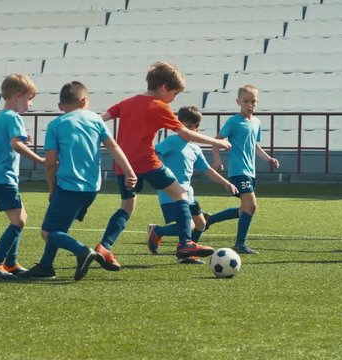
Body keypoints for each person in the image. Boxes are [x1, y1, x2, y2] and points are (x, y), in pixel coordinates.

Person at [95, 61, 232, 271]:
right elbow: (186, 134)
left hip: (123, 163)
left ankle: (104, 247)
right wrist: (217, 142)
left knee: (126, 207)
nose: (174, 99)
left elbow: (100, 120)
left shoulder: (127, 102)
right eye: (175, 93)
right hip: (146, 161)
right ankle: (186, 243)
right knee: (181, 194)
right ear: (165, 87)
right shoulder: (160, 106)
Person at [20, 81, 136, 280]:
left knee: (48, 232)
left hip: (68, 186)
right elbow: (113, 147)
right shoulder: (95, 120)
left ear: (60, 106)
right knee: (60, 227)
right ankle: (46, 266)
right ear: (84, 100)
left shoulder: (56, 125)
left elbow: (50, 163)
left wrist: (52, 188)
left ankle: (82, 251)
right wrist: (129, 172)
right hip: (91, 188)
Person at [147, 105, 238, 264]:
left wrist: (226, 183)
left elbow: (207, 170)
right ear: (179, 124)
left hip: (188, 194)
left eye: (196, 127)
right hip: (171, 193)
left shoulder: (195, 149)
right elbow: (155, 152)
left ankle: (186, 254)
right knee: (187, 226)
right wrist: (160, 170)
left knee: (201, 224)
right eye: (189, 127)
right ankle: (157, 231)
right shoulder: (172, 141)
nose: (193, 130)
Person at [0, 73, 45, 280]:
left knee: (20, 219)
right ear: (18, 96)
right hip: (4, 177)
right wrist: (41, 160)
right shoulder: (15, 118)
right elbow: (15, 145)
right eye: (29, 98)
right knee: (19, 220)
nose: (30, 104)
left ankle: (10, 264)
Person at [211, 84, 280, 254]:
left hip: (250, 172)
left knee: (244, 208)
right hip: (238, 171)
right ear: (238, 101)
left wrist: (268, 158)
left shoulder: (256, 122)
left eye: (253, 102)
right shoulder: (233, 121)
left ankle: (208, 220)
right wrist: (218, 160)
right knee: (251, 205)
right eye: (246, 101)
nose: (249, 105)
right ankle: (240, 244)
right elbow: (217, 141)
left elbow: (254, 145)